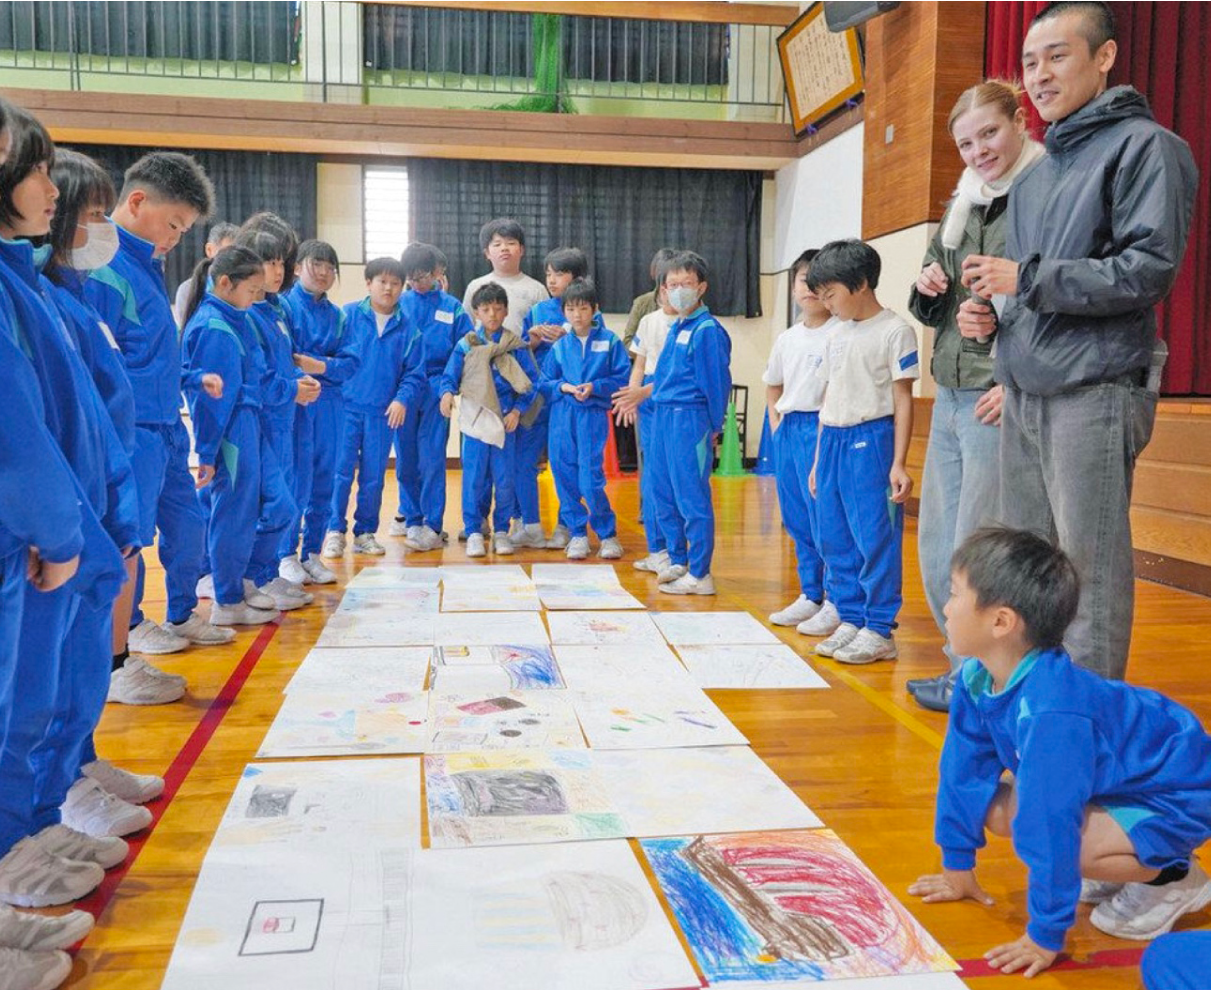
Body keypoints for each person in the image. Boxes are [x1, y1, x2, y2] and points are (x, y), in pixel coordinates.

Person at [957, 0, 1198, 682]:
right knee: (1024, 570)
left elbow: (1145, 271)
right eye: (1030, 61)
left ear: (1103, 58)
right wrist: (995, 321)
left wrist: (1025, 278)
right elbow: (1034, 289)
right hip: (1027, 395)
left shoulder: (1147, 147)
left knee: (1086, 573)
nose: (1038, 75)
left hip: (1094, 390)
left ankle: (1083, 724)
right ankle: (1031, 711)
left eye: (1057, 56)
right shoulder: (1037, 174)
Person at [910, 527, 1211, 978]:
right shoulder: (977, 678)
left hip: (1177, 795)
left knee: (1060, 839)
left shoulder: (1053, 712)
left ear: (1001, 622)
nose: (946, 607)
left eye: (954, 595)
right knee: (997, 810)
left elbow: (1049, 825)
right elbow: (962, 771)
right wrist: (957, 865)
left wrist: (1044, 935)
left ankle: (1175, 878)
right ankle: (1126, 855)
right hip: (1124, 783)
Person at [0, 103, 131, 911]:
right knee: (22, 695)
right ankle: (19, 843)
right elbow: (17, 430)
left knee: (47, 685)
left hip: (64, 523)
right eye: (37, 168)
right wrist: (57, 526)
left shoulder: (32, 288)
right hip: (38, 532)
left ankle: (35, 821)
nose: (47, 188)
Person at [906, 80, 1044, 713]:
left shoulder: (1044, 194)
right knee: (937, 546)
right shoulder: (959, 207)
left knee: (976, 549)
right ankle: (964, 671)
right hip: (954, 389)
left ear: (1019, 121)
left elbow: (1052, 300)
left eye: (989, 133)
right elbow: (937, 310)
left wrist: (1013, 379)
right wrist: (930, 287)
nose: (979, 150)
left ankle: (981, 681)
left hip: (998, 394)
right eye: (966, 142)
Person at [84, 150, 232, 671]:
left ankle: (183, 609)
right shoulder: (103, 268)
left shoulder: (148, 266)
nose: (175, 238)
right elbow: (102, 364)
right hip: (133, 430)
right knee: (131, 537)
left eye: (184, 229)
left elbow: (148, 355)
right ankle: (124, 642)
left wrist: (190, 378)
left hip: (168, 427)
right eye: (173, 224)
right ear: (137, 201)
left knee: (187, 524)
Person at [807, 239, 917, 664]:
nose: (826, 304)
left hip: (871, 440)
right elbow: (829, 397)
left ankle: (879, 627)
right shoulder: (836, 334)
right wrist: (818, 459)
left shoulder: (895, 330)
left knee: (874, 536)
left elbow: (904, 398)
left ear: (862, 284)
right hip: (832, 439)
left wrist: (899, 462)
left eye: (831, 294)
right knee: (834, 536)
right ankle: (850, 616)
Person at [181, 246, 280, 626]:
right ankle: (226, 599)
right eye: (252, 289)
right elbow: (211, 399)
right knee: (232, 514)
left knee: (269, 507)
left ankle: (240, 581)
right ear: (225, 283)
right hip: (231, 430)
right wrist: (206, 451)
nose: (257, 296)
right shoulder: (214, 327)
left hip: (248, 422)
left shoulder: (236, 317)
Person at [231, 218, 318, 611]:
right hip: (260, 422)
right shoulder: (245, 313)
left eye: (282, 262)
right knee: (264, 505)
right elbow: (254, 377)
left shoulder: (275, 309)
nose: (278, 271)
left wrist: (300, 379)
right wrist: (290, 388)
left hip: (283, 421)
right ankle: (239, 582)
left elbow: (282, 362)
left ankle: (263, 576)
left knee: (281, 502)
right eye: (269, 262)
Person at [644, 251, 732, 596]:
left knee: (691, 496)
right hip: (663, 416)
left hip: (689, 419)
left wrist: (712, 428)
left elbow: (716, 384)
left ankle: (700, 572)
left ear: (702, 287)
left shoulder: (708, 330)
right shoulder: (679, 325)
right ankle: (678, 559)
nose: (678, 290)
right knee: (661, 490)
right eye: (671, 285)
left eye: (686, 284)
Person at [324, 257, 423, 558]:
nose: (389, 288)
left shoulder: (409, 328)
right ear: (368, 283)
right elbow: (331, 357)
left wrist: (401, 399)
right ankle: (333, 531)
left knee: (373, 476)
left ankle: (365, 532)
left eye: (395, 283)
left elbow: (414, 373)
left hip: (381, 414)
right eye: (382, 281)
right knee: (339, 473)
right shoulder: (348, 315)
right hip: (345, 409)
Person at [764, 249, 838, 636]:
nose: (808, 287)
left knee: (823, 517)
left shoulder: (839, 332)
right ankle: (810, 594)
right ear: (792, 286)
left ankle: (835, 598)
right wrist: (776, 423)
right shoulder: (787, 338)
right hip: (789, 430)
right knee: (795, 518)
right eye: (801, 278)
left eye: (816, 279)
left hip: (821, 428)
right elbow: (772, 384)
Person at [439, 282, 541, 558]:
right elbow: (450, 375)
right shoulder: (467, 344)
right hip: (475, 420)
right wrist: (446, 394)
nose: (493, 315)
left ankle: (501, 531)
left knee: (504, 479)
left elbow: (532, 383)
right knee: (473, 478)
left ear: (506, 311)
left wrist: (517, 411)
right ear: (476, 313)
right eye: (486, 309)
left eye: (498, 309)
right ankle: (473, 530)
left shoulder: (516, 346)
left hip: (505, 422)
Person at [281, 240, 358, 586]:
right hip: (296, 401)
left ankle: (311, 552)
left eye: (330, 267)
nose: (325, 272)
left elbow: (351, 364)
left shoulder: (338, 316)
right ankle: (284, 554)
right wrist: (306, 372)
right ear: (296, 267)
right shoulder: (282, 307)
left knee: (325, 476)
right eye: (317, 264)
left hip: (330, 404)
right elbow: (282, 356)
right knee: (295, 477)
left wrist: (318, 364)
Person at [539, 278, 630, 560]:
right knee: (564, 476)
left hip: (591, 416)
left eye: (583, 309)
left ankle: (607, 534)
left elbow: (622, 378)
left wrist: (596, 387)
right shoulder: (559, 346)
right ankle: (577, 533)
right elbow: (544, 381)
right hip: (562, 417)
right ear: (564, 311)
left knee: (590, 478)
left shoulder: (609, 341)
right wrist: (563, 387)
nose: (577, 315)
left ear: (595, 310)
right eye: (570, 309)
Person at [391, 242, 472, 552]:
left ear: (438, 272)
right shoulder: (400, 303)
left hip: (438, 387)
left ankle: (433, 525)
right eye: (410, 277)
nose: (416, 283)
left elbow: (463, 350)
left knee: (433, 457)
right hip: (405, 387)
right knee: (406, 458)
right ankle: (412, 519)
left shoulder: (452, 307)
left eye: (422, 276)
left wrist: (450, 388)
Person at [515, 246, 593, 550]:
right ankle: (531, 526)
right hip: (538, 399)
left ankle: (567, 526)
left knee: (568, 464)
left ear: (577, 277)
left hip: (571, 403)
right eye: (548, 273)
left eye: (558, 273)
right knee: (523, 461)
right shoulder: (538, 311)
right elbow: (520, 353)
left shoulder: (589, 315)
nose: (551, 279)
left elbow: (596, 355)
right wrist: (532, 342)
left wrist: (570, 339)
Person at [612, 260, 676, 575]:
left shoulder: (693, 326)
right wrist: (631, 397)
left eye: (680, 285)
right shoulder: (649, 319)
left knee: (672, 481)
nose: (672, 293)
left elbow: (675, 375)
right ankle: (657, 549)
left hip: (672, 405)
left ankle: (677, 553)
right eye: (667, 286)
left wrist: (642, 393)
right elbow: (639, 363)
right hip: (647, 405)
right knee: (650, 478)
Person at [461, 218, 548, 336]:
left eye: (511, 243)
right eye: (497, 244)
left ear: (521, 250)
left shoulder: (537, 290)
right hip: (483, 352)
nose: (504, 248)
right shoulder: (476, 286)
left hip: (522, 352)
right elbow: (465, 328)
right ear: (487, 253)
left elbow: (545, 330)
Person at [172, 220, 236, 326]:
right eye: (227, 254)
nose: (233, 261)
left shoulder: (243, 289)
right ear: (209, 250)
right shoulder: (188, 290)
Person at [622, 247, 676, 349]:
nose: (665, 278)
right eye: (662, 273)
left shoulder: (687, 302)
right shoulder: (642, 302)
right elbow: (627, 342)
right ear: (654, 272)